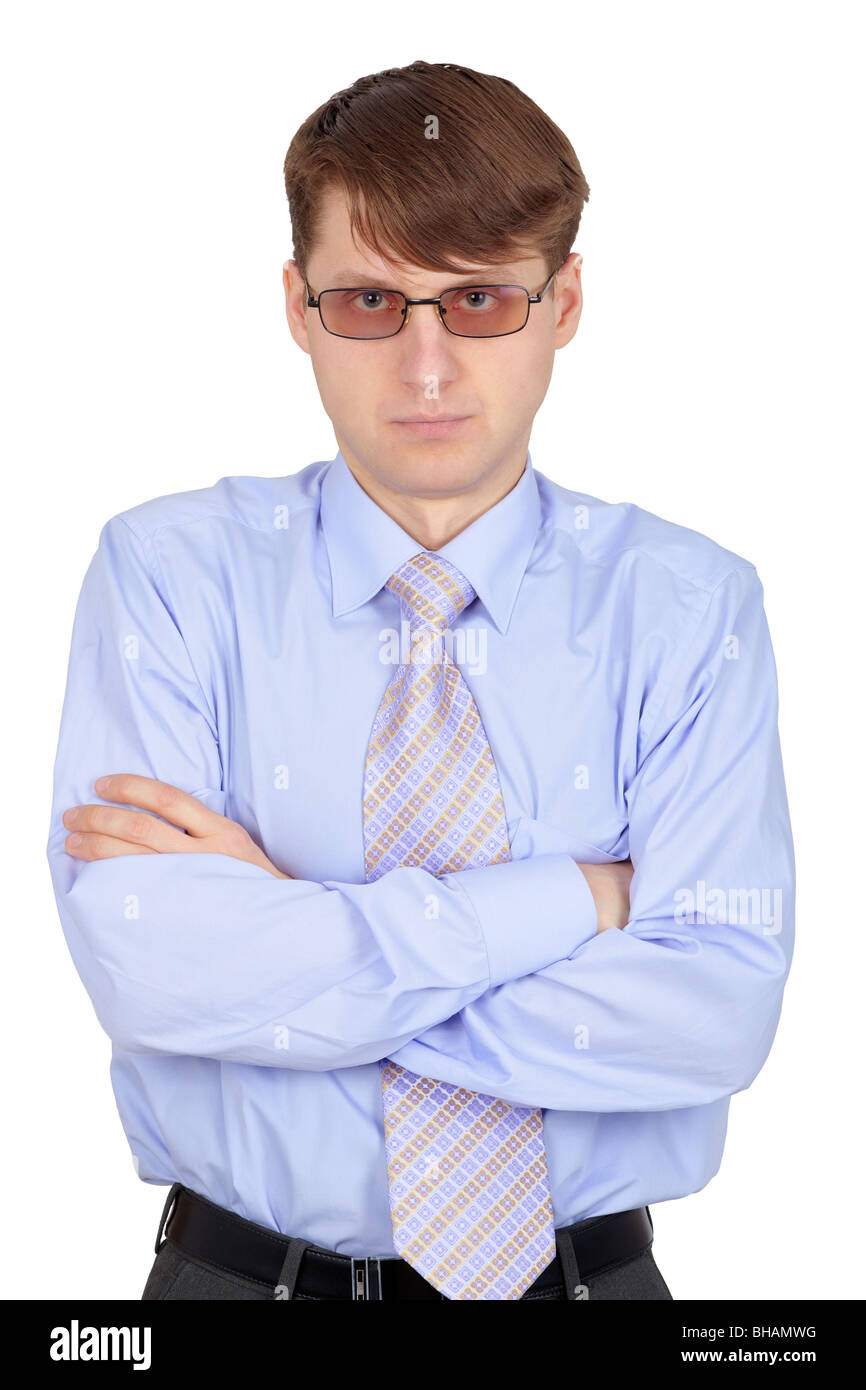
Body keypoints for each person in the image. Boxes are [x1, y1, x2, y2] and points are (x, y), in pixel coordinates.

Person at [45, 59, 795, 1302]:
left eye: (481, 301)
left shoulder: (690, 609)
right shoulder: (168, 577)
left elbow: (712, 1014)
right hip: (238, 1284)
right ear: (297, 306)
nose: (429, 367)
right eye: (370, 303)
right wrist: (571, 902)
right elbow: (156, 972)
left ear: (562, 306)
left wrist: (294, 939)